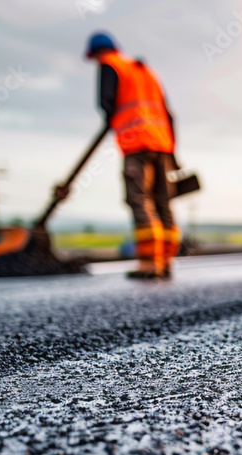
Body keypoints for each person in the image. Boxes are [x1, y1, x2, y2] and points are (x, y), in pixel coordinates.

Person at [85, 32, 181, 280]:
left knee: (139, 199)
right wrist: (173, 152)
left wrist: (111, 119)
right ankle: (165, 263)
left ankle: (149, 265)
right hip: (162, 143)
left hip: (137, 142)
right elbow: (168, 113)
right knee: (162, 201)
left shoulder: (110, 65)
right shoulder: (146, 71)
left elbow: (107, 103)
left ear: (97, 53)